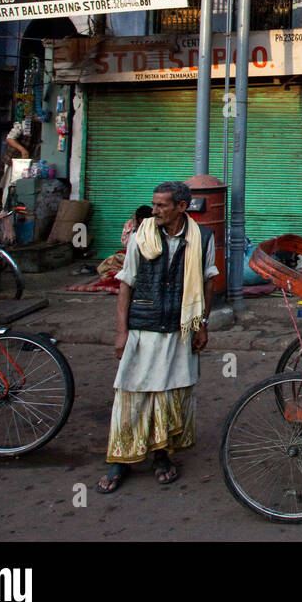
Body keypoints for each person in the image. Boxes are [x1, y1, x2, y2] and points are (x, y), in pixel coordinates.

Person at [97, 181, 215, 493]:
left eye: (162, 205)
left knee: (170, 394)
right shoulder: (141, 235)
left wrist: (202, 323)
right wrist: (121, 333)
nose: (155, 210)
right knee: (131, 394)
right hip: (143, 325)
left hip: (180, 327)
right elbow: (126, 284)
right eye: (154, 204)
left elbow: (207, 282)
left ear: (181, 207)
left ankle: (162, 455)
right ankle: (119, 460)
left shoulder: (202, 238)